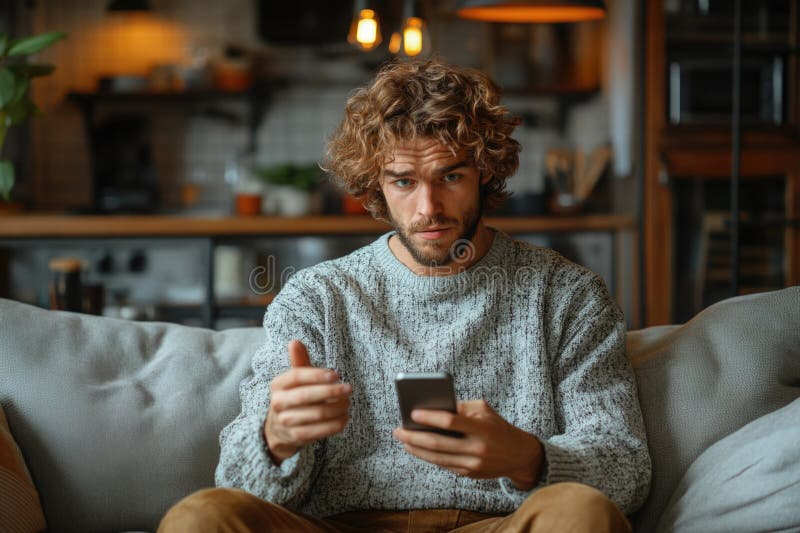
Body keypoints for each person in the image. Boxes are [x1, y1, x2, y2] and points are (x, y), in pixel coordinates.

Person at [159, 58, 651, 533]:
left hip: (498, 525)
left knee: (580, 512)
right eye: (404, 182)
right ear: (376, 185)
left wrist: (530, 459)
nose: (429, 207)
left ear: (485, 170)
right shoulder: (316, 297)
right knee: (200, 517)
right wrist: (277, 439)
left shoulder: (567, 295)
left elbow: (626, 468)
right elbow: (239, 485)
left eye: (450, 176)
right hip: (339, 526)